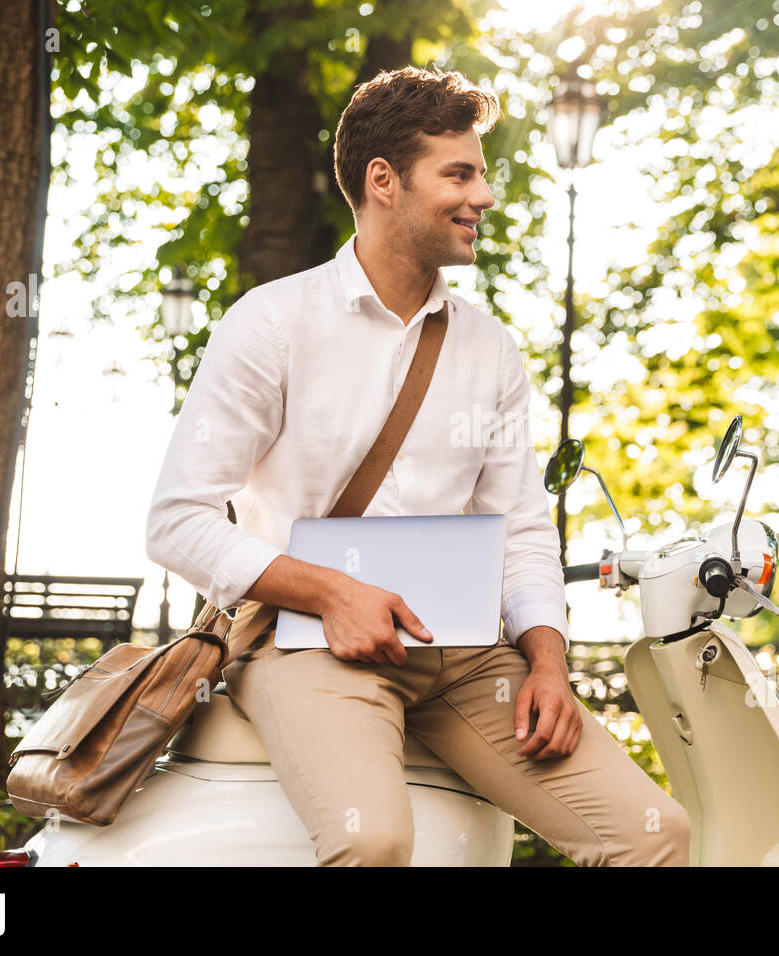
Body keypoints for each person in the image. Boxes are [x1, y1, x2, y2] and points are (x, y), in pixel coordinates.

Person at [145, 65, 690, 866]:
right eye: (460, 173)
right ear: (384, 181)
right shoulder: (271, 323)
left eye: (482, 172)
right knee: (373, 843)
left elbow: (522, 530)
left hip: (467, 658)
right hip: (306, 646)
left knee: (657, 835)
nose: (485, 196)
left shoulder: (490, 349)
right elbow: (177, 521)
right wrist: (333, 592)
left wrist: (547, 659)